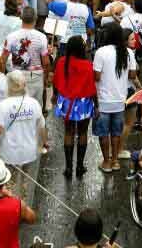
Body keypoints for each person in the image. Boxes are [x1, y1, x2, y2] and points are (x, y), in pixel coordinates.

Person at [0, 71, 47, 201]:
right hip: (29, 151)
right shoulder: (33, 103)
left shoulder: (3, 106)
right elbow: (41, 127)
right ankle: (23, 205)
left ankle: (11, 207)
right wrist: (43, 143)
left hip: (10, 152)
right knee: (25, 181)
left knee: (10, 182)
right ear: (24, 85)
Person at [93, 22, 138, 173]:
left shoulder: (101, 52)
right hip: (120, 99)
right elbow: (132, 75)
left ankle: (106, 162)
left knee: (103, 133)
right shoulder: (128, 53)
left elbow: (97, 77)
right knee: (116, 132)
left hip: (103, 100)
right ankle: (115, 161)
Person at [53, 35, 97, 178]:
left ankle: (68, 167)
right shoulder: (88, 65)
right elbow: (92, 87)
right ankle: (79, 166)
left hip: (67, 101)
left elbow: (56, 81)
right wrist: (97, 105)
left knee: (69, 132)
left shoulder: (61, 62)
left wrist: (55, 95)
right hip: (84, 102)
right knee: (83, 133)